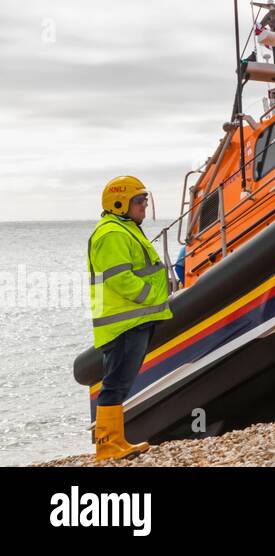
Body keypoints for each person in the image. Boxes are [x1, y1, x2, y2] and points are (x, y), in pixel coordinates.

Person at [87, 175, 173, 460]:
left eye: (145, 200)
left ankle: (115, 442)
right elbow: (120, 279)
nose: (144, 206)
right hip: (123, 323)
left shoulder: (126, 229)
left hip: (134, 320)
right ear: (120, 203)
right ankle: (107, 447)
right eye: (139, 200)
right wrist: (153, 294)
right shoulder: (111, 233)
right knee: (115, 383)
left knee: (120, 383)